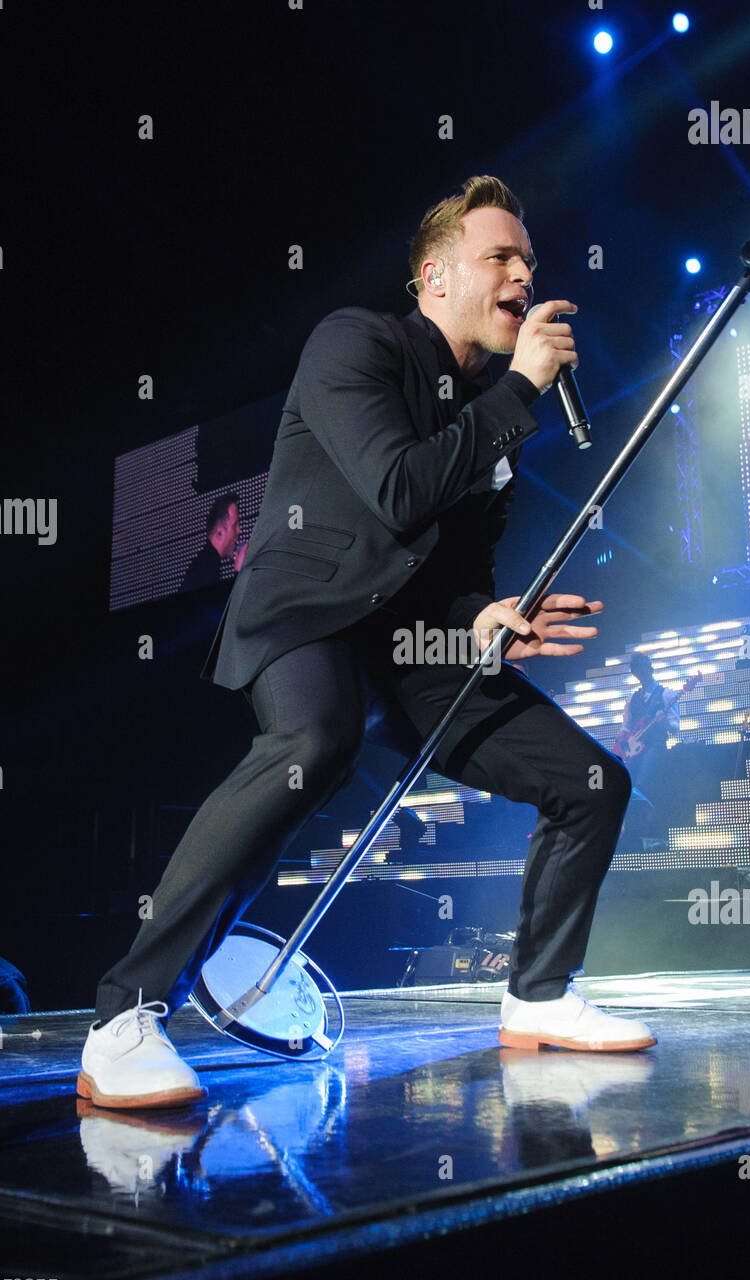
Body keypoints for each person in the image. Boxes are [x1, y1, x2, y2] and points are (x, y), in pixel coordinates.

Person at [79, 174, 656, 1111]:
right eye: (500, 257)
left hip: (413, 643)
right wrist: (518, 394)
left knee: (590, 781)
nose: (524, 274)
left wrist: (486, 618)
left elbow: (459, 568)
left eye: (531, 261)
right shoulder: (357, 342)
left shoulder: (494, 418)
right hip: (305, 613)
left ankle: (540, 995)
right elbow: (396, 488)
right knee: (316, 739)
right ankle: (124, 1019)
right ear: (435, 277)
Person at [616, 653, 679, 811]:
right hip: (633, 748)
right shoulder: (632, 698)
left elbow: (675, 727)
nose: (640, 674)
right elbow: (626, 726)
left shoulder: (666, 694)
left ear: (650, 669)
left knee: (641, 782)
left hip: (655, 745)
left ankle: (646, 812)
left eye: (642, 669)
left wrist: (663, 721)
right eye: (637, 671)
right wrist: (621, 736)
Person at [178, 493, 246, 592]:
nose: (239, 530)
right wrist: (239, 572)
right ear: (219, 532)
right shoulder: (206, 568)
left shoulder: (205, 563)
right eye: (234, 525)